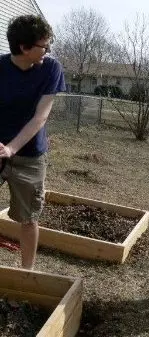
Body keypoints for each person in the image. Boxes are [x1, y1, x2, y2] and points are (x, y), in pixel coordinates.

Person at [0, 15, 66, 269]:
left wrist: (11, 148)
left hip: (30, 157)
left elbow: (41, 117)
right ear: (24, 47)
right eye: (44, 46)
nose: (48, 50)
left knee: (28, 219)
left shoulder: (51, 68)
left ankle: (26, 275)